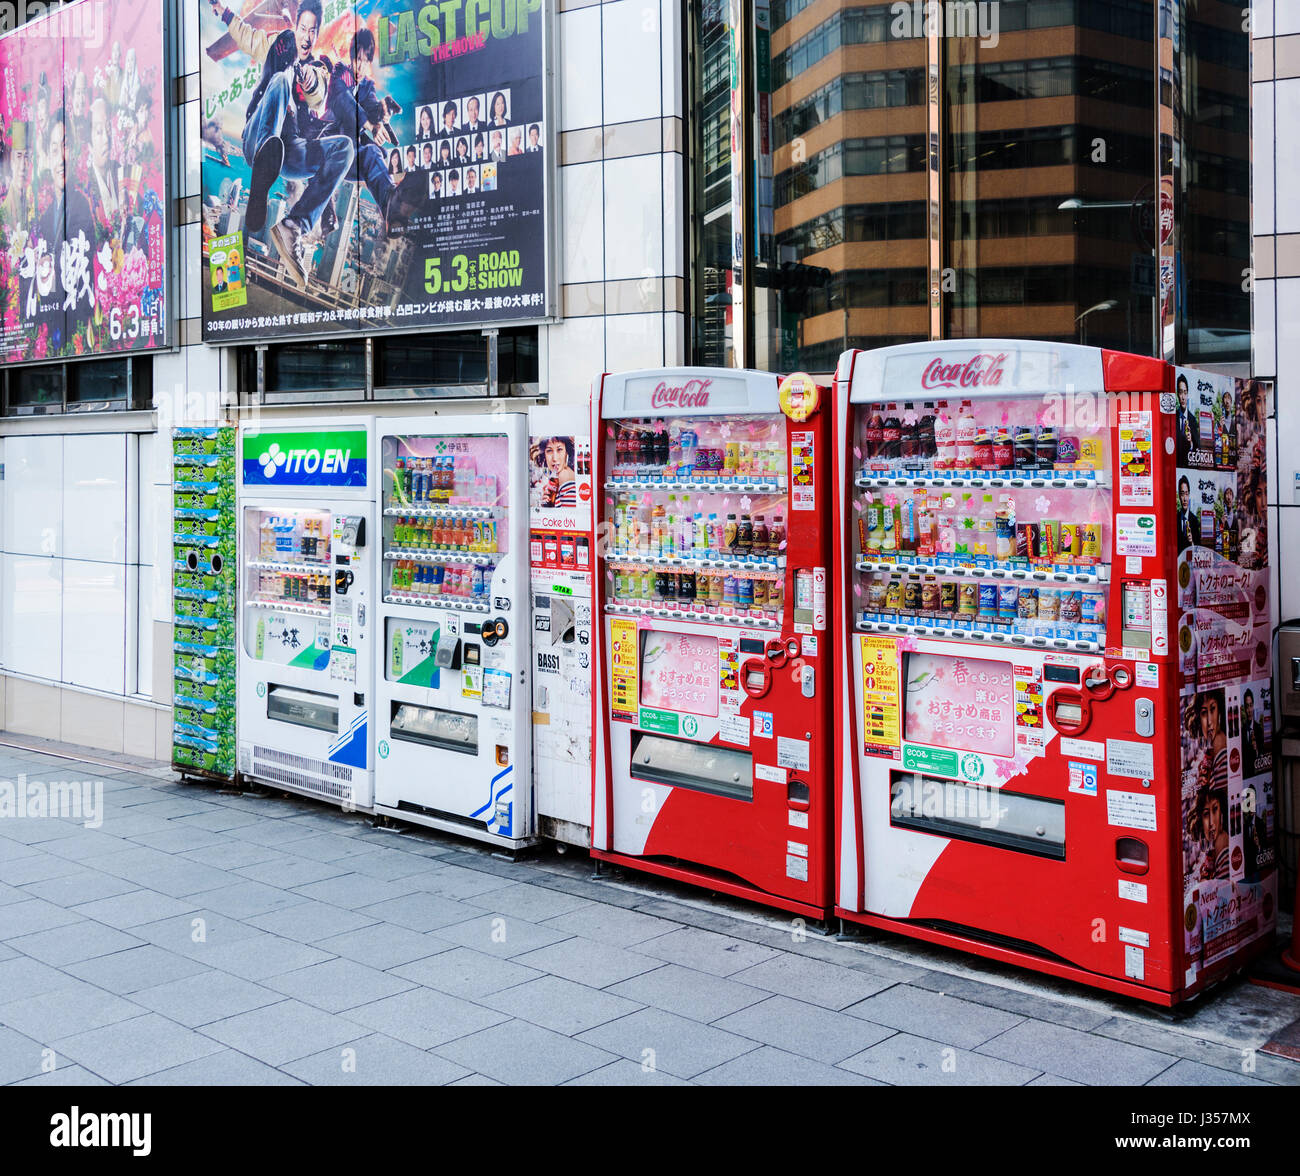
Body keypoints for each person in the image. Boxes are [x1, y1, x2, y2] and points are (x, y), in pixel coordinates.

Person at [207, 0, 354, 290]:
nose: (307, 37)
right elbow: (247, 36)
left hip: (289, 154)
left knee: (345, 148)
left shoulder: (316, 69)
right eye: (303, 29)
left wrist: (311, 81)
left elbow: (318, 95)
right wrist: (223, 12)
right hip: (257, 138)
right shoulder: (278, 47)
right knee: (279, 80)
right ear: (296, 27)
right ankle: (263, 168)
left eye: (313, 31)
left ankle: (294, 226)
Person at [327, 27, 410, 238]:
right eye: (357, 59)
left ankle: (390, 206)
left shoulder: (366, 86)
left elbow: (371, 106)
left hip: (352, 156)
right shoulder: (339, 74)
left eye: (366, 61)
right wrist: (370, 125)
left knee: (377, 153)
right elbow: (344, 102)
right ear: (351, 56)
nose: (360, 66)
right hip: (329, 151)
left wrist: (383, 113)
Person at [88, 98, 123, 238]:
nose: (106, 139)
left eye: (108, 129)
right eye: (98, 132)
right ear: (89, 145)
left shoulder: (121, 172)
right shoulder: (84, 187)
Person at [1193, 784, 1230, 881]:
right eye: (1206, 814)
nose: (1211, 823)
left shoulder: (1222, 841)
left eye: (1215, 809)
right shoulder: (1208, 849)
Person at [539, 437, 577, 507]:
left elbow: (567, 516)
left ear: (567, 452)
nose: (555, 458)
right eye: (549, 451)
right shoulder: (558, 477)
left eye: (559, 450)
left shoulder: (565, 478)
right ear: (544, 455)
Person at [1175, 374, 1199, 458]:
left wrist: (1191, 443)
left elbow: (1198, 448)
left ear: (1188, 394)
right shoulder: (1172, 417)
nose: (1183, 397)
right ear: (1177, 394)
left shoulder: (1192, 420)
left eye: (1185, 393)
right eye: (1181, 392)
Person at [1177, 475, 1200, 552]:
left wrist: (1191, 542)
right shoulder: (1174, 519)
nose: (1185, 499)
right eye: (1182, 494)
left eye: (1186, 494)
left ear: (1189, 495)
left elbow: (1198, 549)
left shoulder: (1194, 520)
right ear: (1179, 496)